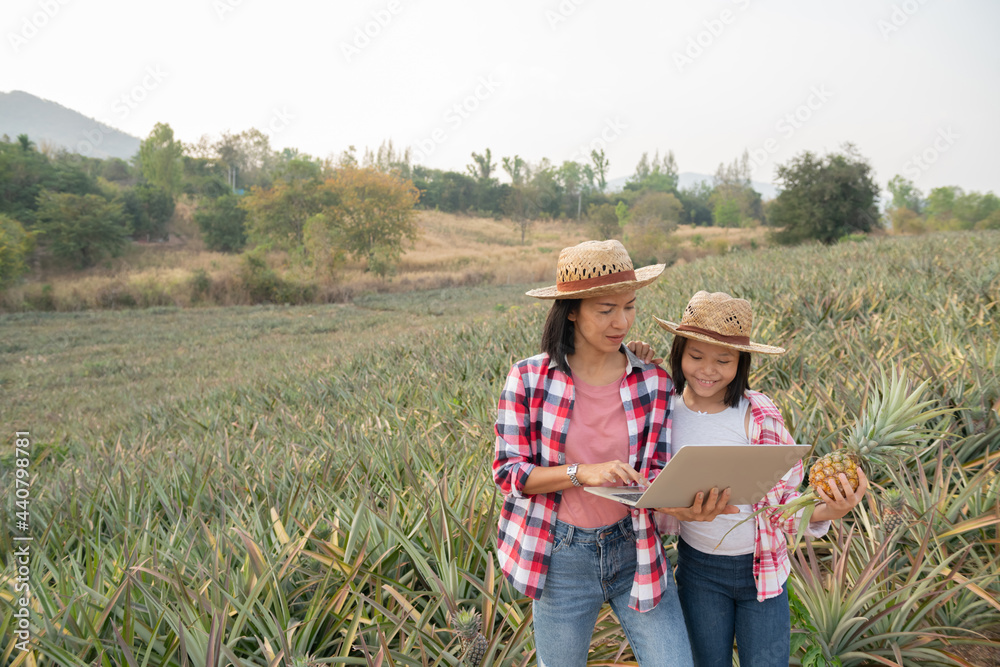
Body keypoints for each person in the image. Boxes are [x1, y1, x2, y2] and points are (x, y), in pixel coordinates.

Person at [493, 241, 730, 667]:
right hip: (558, 555)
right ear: (571, 310)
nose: (620, 321)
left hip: (634, 547)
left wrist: (684, 506)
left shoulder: (653, 381)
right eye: (605, 310)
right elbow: (510, 474)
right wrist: (583, 473)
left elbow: (657, 470)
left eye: (629, 307)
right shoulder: (528, 378)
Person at [642, 291, 868, 667]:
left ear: (741, 362)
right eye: (696, 356)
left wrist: (827, 512)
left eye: (724, 360)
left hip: (762, 569)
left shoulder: (758, 415)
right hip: (698, 570)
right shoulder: (665, 412)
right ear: (679, 352)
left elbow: (782, 504)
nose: (707, 370)